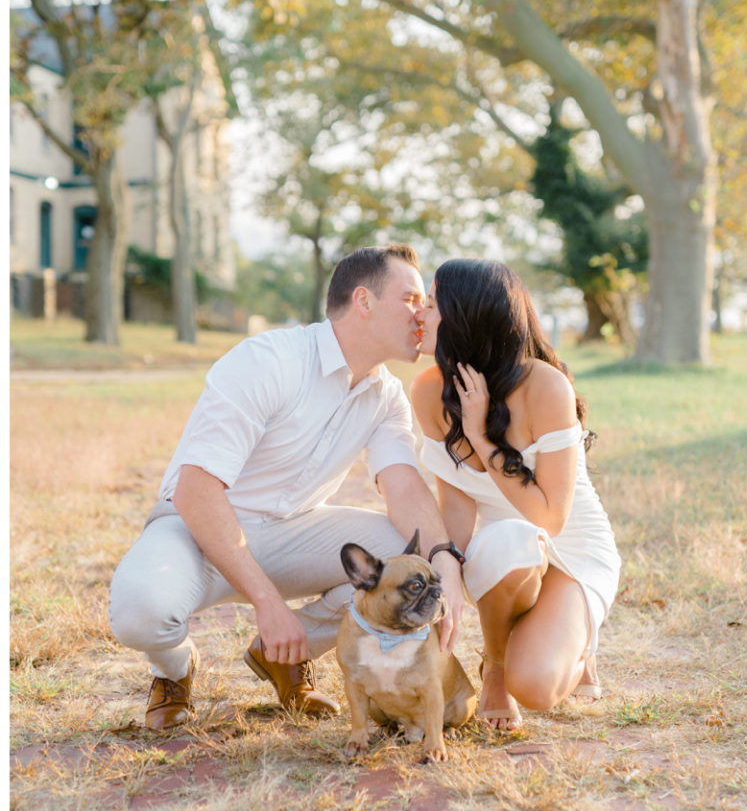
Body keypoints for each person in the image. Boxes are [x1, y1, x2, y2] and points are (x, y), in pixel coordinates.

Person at [109, 245, 465, 729]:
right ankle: (173, 670)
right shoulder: (269, 360)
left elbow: (404, 489)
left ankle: (281, 654)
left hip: (294, 533)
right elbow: (196, 490)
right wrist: (267, 603)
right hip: (196, 528)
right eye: (410, 299)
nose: (422, 315)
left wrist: (445, 565)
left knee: (400, 555)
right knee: (139, 612)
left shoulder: (386, 396)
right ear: (363, 301)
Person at [410, 259, 621, 730]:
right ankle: (497, 665)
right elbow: (458, 500)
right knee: (508, 540)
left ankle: (575, 638)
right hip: (512, 553)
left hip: (573, 553)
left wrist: (483, 439)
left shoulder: (545, 385)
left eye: (430, 304)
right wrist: (447, 578)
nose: (418, 315)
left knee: (538, 687)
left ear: (466, 317)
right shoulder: (427, 392)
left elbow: (549, 518)